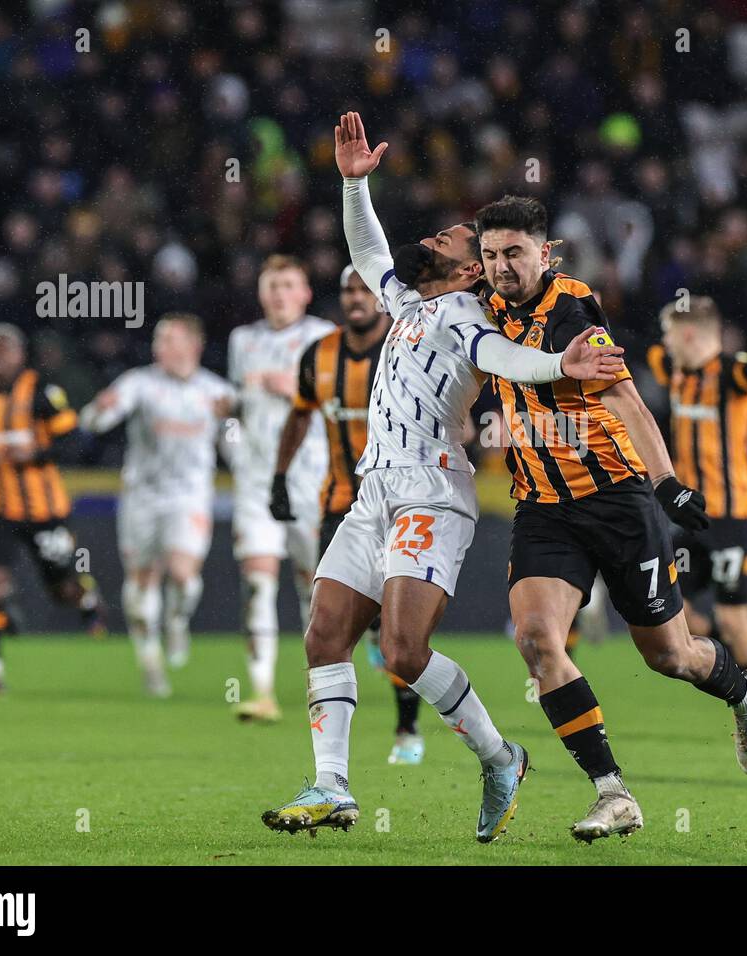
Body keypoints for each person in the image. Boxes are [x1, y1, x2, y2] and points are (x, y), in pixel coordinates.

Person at [260, 112, 625, 842]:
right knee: (323, 633)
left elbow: (506, 362)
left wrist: (561, 365)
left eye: (450, 240)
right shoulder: (406, 301)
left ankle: (501, 757)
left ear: (467, 271)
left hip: (431, 490)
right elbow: (366, 252)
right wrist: (353, 185)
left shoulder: (463, 315)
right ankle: (332, 784)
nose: (435, 238)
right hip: (374, 492)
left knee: (402, 650)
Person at [475, 194, 747, 843]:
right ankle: (613, 793)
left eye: (514, 253)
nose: (501, 266)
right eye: (490, 254)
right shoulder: (480, 308)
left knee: (669, 654)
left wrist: (665, 483)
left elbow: (627, 398)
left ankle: (742, 690)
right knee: (536, 641)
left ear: (544, 253)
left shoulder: (573, 309)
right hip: (543, 508)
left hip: (616, 501)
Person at [269, 264, 426, 764]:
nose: (355, 298)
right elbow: (299, 415)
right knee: (328, 625)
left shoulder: (406, 347)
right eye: (347, 290)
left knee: (392, 631)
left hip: (401, 504)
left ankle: (407, 728)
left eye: (364, 289)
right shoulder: (320, 355)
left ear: (381, 298)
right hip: (341, 505)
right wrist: (278, 477)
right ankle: (331, 763)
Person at [648, 297, 747, 737]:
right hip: (688, 516)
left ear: (689, 334)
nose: (664, 343)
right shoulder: (672, 368)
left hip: (734, 517)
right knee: (679, 617)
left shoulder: (732, 373)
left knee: (735, 617)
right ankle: (736, 674)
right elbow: (646, 351)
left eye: (670, 332)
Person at [79, 314, 236, 696]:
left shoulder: (216, 392)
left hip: (189, 497)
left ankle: (177, 619)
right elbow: (95, 420)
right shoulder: (139, 383)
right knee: (142, 580)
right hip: (141, 498)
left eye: (169, 339)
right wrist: (100, 410)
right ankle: (149, 659)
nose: (159, 346)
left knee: (183, 574)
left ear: (193, 346)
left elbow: (236, 449)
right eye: (158, 339)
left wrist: (241, 440)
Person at [0, 323, 105, 692]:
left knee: (64, 592)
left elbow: (76, 443)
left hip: (45, 510)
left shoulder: (42, 393)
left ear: (20, 354)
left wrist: (36, 454)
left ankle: (86, 594)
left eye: (5, 350)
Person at [227, 256, 335, 722]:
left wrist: (289, 385)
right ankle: (262, 691)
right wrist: (231, 443)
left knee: (314, 587)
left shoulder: (323, 337)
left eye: (289, 284)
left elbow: (338, 398)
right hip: (255, 482)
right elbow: (238, 409)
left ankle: (323, 681)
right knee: (257, 581)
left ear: (306, 292)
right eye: (272, 285)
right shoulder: (243, 340)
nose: (279, 293)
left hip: (311, 477)